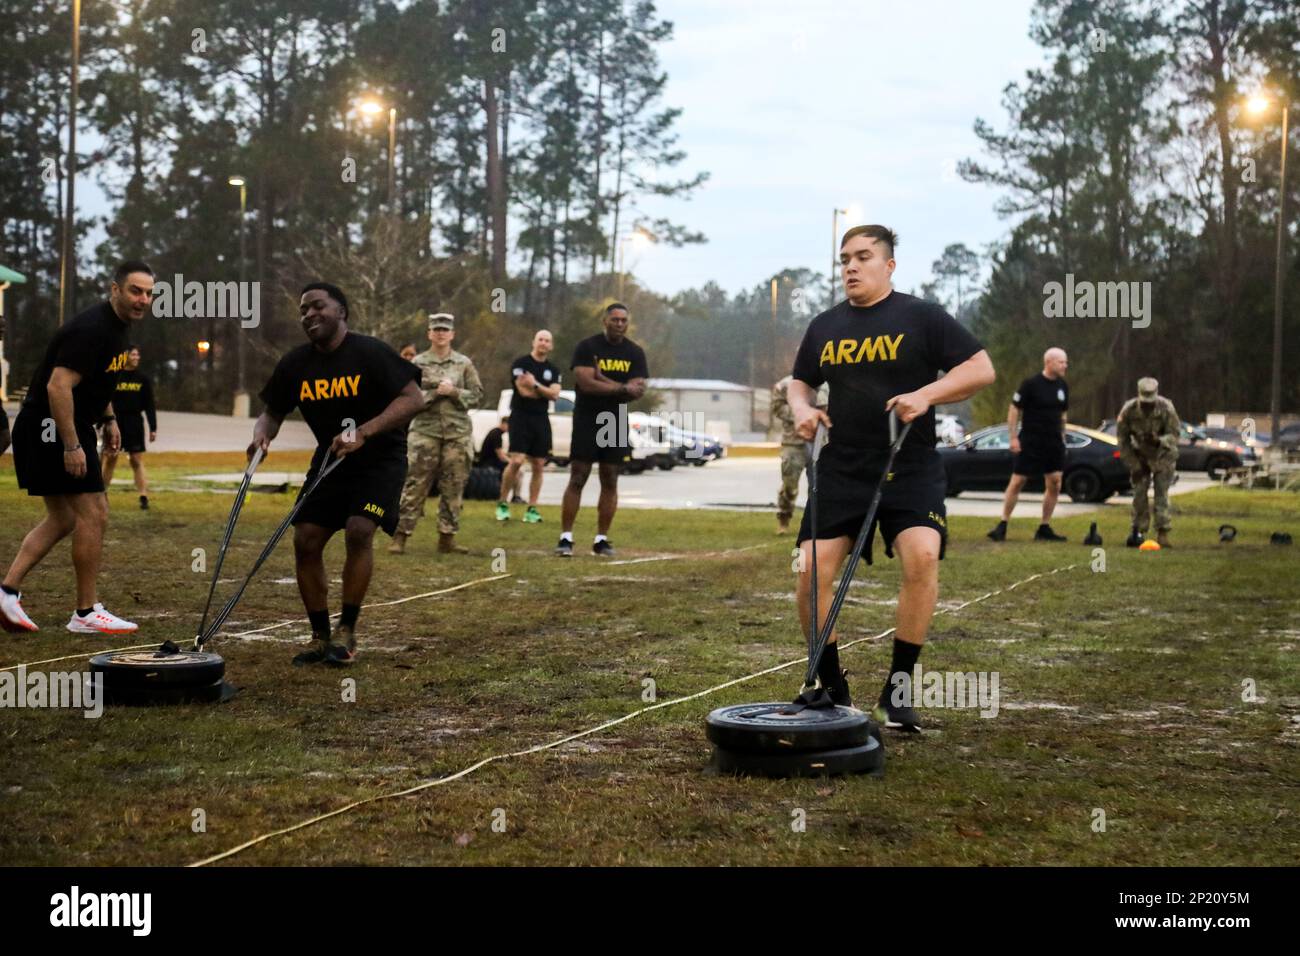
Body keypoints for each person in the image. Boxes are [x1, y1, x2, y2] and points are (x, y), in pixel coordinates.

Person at [789, 225, 994, 730]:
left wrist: (926, 394)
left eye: (863, 257)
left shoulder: (921, 316)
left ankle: (896, 693)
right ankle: (829, 684)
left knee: (922, 555)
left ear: (889, 265)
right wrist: (803, 407)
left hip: (911, 460)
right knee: (811, 569)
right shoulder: (825, 325)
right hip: (843, 464)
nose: (851, 268)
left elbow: (980, 368)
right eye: (844, 260)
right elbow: (801, 381)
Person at [249, 281, 423, 666]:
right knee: (306, 540)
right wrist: (261, 436)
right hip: (331, 458)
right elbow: (272, 412)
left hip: (379, 458)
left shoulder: (370, 352)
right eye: (303, 310)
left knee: (360, 529)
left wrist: (365, 432)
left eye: (317, 306)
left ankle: (347, 629)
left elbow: (414, 399)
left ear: (341, 311)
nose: (308, 315)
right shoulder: (295, 363)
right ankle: (318, 636)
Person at [0, 261, 154, 635]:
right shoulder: (93, 329)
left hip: (64, 425)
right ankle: (85, 612)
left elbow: (97, 382)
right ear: (114, 289)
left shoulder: (118, 330)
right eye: (135, 290)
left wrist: (110, 418)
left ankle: (6, 593)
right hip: (49, 426)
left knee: (65, 518)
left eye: (149, 293)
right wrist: (71, 445)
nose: (143, 300)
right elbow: (58, 386)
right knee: (95, 511)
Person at [556, 303, 648, 557]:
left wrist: (605, 380)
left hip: (615, 418)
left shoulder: (635, 352)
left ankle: (601, 539)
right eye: (615, 320)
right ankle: (566, 538)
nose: (619, 324)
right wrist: (620, 388)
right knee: (578, 476)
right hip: (587, 417)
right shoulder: (587, 347)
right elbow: (586, 384)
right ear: (605, 321)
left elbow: (637, 390)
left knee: (610, 478)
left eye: (623, 320)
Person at [389, 313, 483, 555]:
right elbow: (406, 397)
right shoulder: (416, 364)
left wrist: (454, 393)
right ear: (429, 333)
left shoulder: (464, 364)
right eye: (436, 329)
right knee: (414, 484)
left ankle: (447, 537)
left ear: (452, 334)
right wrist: (435, 395)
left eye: (445, 330)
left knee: (453, 485)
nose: (441, 333)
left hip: (457, 434)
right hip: (425, 432)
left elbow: (477, 395)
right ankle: (400, 536)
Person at [987, 348, 1069, 542]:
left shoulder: (1063, 386)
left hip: (1053, 442)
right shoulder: (1030, 385)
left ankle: (1044, 527)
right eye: (1062, 362)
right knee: (1017, 481)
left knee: (1055, 483)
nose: (1065, 366)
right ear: (1049, 362)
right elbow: (1014, 409)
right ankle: (1003, 524)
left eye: (1066, 362)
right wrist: (1013, 437)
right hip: (1031, 441)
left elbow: (1063, 415)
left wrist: (1063, 438)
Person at [498, 330, 561, 523]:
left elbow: (555, 395)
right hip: (520, 416)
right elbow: (523, 391)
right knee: (516, 461)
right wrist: (543, 390)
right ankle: (502, 503)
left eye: (547, 341)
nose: (543, 343)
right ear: (534, 342)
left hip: (541, 418)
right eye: (540, 339)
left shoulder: (554, 369)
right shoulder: (521, 364)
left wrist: (534, 384)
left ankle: (532, 508)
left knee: (539, 464)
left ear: (551, 345)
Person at [1117, 377, 1179, 548]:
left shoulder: (1167, 408)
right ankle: (1138, 531)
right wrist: (1134, 464)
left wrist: (1159, 440)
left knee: (1162, 494)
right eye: (1145, 403)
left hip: (1163, 456)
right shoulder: (1128, 410)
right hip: (1140, 456)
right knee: (1139, 494)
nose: (1147, 406)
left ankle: (1163, 532)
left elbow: (1175, 436)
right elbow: (1122, 441)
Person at [101, 345, 157, 510]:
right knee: (111, 458)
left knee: (136, 460)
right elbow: (104, 400)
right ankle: (102, 494)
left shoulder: (142, 379)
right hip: (115, 422)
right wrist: (102, 421)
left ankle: (143, 495)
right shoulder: (114, 375)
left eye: (138, 355)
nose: (136, 358)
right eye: (133, 355)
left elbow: (149, 405)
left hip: (134, 423)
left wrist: (153, 428)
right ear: (125, 356)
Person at [771, 374, 827, 534]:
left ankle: (817, 524)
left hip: (820, 442)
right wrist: (803, 413)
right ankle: (784, 519)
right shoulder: (785, 385)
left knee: (819, 487)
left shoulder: (828, 384)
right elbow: (777, 408)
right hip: (794, 442)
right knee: (790, 485)